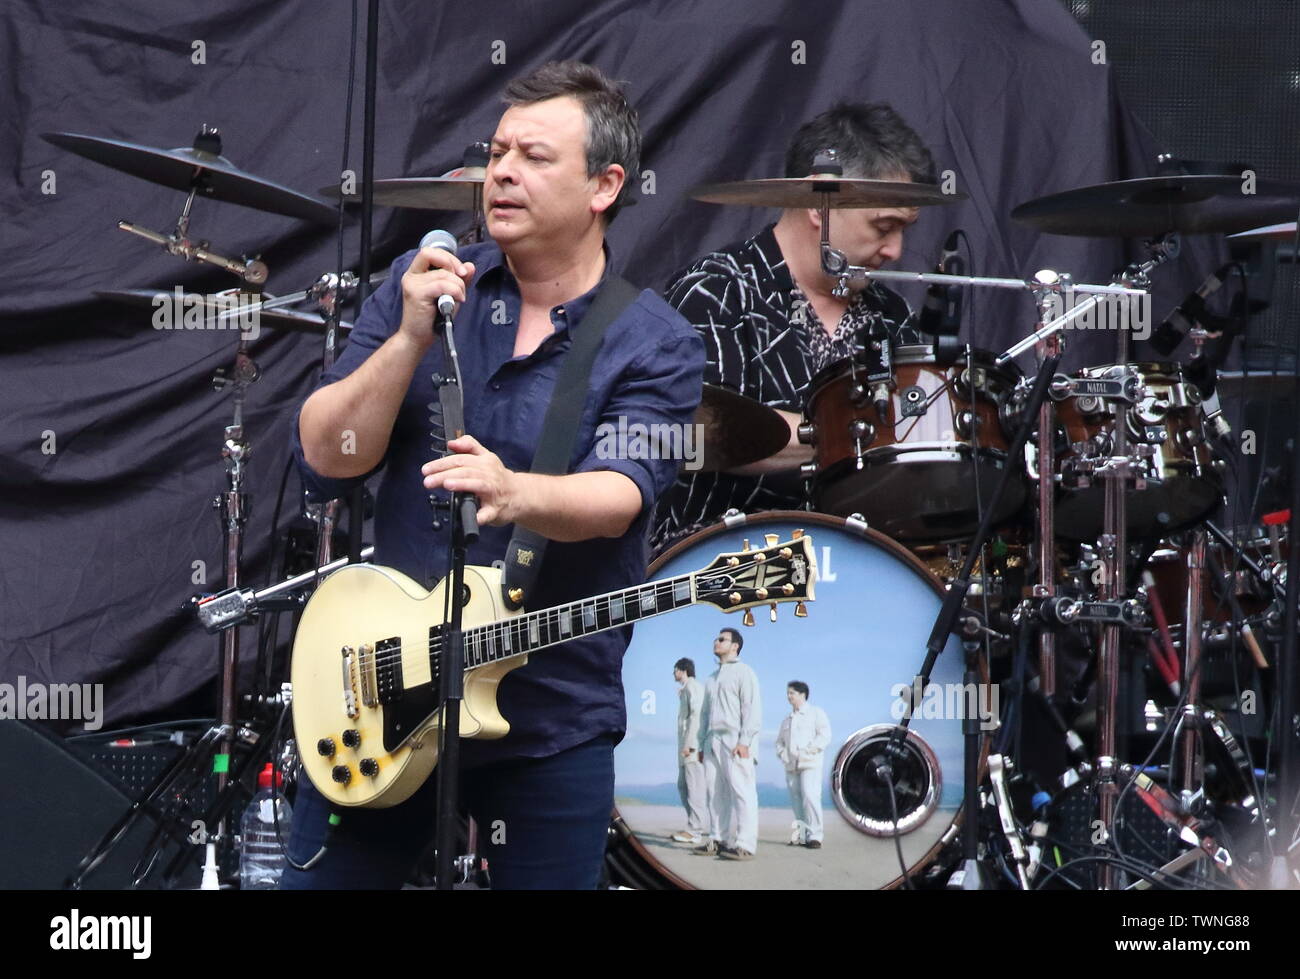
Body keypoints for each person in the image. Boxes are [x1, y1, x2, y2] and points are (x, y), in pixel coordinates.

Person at [281, 61, 705, 890]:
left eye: (535, 156)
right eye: (498, 150)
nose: (501, 171)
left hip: (549, 715)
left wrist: (517, 493)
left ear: (604, 185)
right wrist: (406, 337)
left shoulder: (653, 341)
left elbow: (622, 497)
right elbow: (328, 454)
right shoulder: (427, 291)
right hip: (383, 693)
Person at [651, 102, 936, 549]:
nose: (896, 251)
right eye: (884, 226)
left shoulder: (892, 316)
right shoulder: (717, 291)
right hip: (722, 573)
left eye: (905, 230)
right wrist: (857, 435)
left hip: (862, 571)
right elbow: (697, 434)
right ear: (821, 201)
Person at [695, 628, 761, 860]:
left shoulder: (744, 672)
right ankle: (717, 838)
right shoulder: (711, 679)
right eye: (716, 638)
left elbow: (751, 710)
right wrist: (701, 744)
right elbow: (704, 715)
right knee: (714, 792)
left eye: (722, 639)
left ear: (735, 646)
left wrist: (745, 742)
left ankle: (745, 844)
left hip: (736, 740)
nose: (716, 641)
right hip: (712, 740)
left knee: (742, 792)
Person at [774, 681, 831, 849]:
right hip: (791, 766)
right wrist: (784, 755)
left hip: (810, 764)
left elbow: (825, 735)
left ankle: (815, 836)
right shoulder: (787, 720)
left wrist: (809, 750)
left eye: (792, 693)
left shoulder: (816, 713)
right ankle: (801, 835)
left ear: (802, 694)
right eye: (788, 693)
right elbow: (779, 743)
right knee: (796, 800)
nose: (788, 696)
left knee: (810, 796)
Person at [671, 657, 708, 845]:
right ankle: (694, 825)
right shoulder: (687, 689)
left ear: (682, 669)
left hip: (692, 746)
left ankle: (695, 830)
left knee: (694, 787)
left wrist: (689, 744)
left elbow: (696, 716)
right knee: (683, 785)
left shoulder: (693, 686)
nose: (673, 673)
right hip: (685, 747)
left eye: (675, 669)